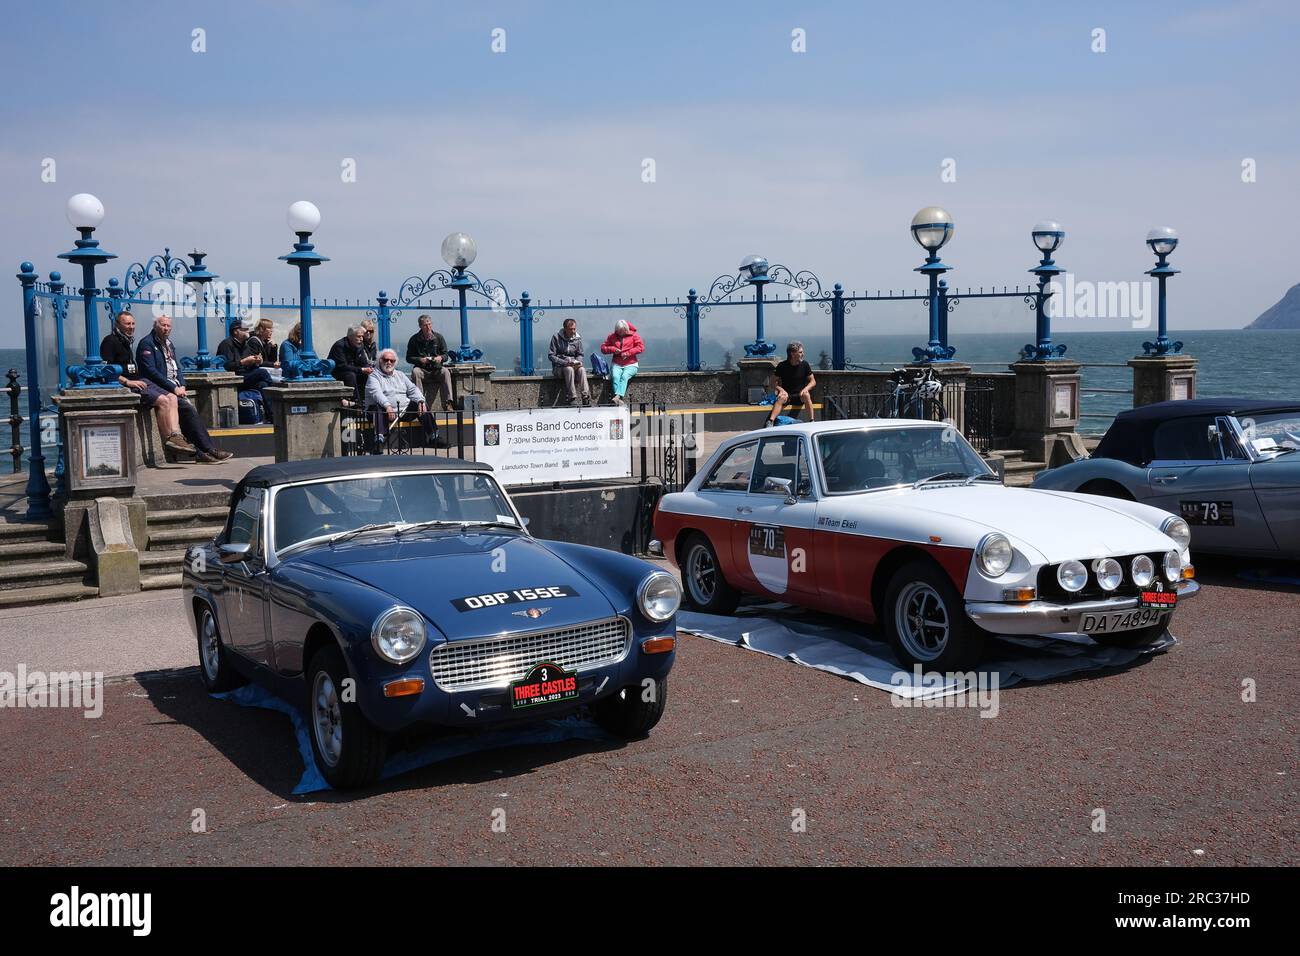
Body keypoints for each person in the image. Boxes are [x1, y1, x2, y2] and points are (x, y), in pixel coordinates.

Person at [136, 315, 234, 462]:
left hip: (174, 387)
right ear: (155, 325)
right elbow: (151, 371)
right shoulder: (147, 343)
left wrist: (182, 384)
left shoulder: (169, 343)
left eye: (169, 326)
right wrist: (173, 388)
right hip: (159, 387)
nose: (166, 328)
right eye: (163, 325)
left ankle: (202, 452)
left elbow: (177, 368)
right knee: (188, 411)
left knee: (188, 413)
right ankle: (208, 450)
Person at [98, 310, 194, 457]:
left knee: (173, 397)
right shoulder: (110, 341)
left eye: (133, 323)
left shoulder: (126, 341)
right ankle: (169, 440)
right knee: (162, 401)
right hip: (128, 384)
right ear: (117, 324)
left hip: (140, 380)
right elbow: (106, 369)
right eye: (127, 324)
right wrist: (127, 381)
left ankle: (176, 435)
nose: (131, 327)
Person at [365, 348, 437, 448]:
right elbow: (377, 394)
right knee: (378, 408)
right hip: (384, 411)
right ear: (380, 360)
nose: (389, 362)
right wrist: (387, 406)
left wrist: (421, 400)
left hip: (402, 411)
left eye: (392, 360)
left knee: (421, 405)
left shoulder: (400, 375)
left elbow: (412, 389)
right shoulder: (373, 376)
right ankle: (379, 440)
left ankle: (434, 436)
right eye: (386, 360)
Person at [405, 314, 455, 411]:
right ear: (420, 326)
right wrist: (420, 360)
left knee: (445, 372)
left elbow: (445, 355)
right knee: (415, 372)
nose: (428, 327)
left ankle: (448, 403)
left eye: (429, 324)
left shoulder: (439, 337)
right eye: (425, 325)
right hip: (422, 369)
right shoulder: (414, 339)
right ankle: (419, 403)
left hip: (436, 369)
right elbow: (408, 358)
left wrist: (440, 358)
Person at [768, 340, 816, 426]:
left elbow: (813, 381)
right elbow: (772, 382)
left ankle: (812, 421)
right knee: (781, 397)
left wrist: (806, 389)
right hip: (787, 395)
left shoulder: (805, 365)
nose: (803, 354)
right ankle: (770, 421)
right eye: (800, 352)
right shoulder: (782, 366)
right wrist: (781, 390)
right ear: (793, 354)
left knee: (806, 395)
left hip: (800, 395)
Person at [599, 319, 644, 406]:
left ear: (626, 329)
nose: (621, 334)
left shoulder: (634, 336)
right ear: (616, 330)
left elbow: (641, 347)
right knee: (615, 376)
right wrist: (613, 349)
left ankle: (617, 396)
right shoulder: (611, 337)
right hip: (617, 363)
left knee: (624, 376)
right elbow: (603, 348)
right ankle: (618, 399)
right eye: (619, 332)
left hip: (631, 364)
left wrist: (628, 353)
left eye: (623, 331)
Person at [548, 318, 590, 406]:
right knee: (569, 369)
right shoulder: (556, 337)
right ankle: (572, 397)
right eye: (571, 329)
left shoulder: (577, 339)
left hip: (573, 364)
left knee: (582, 370)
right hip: (560, 367)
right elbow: (551, 355)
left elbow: (580, 354)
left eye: (574, 329)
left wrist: (578, 361)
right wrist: (564, 362)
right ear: (565, 329)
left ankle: (585, 397)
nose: (573, 331)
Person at [328, 325, 374, 402]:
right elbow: (342, 366)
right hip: (338, 373)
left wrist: (368, 369)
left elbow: (364, 362)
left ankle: (368, 401)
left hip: (354, 371)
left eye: (362, 336)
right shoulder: (339, 346)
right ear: (350, 337)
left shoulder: (360, 346)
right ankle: (356, 403)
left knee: (369, 375)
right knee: (350, 375)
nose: (361, 339)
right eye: (359, 336)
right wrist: (362, 369)